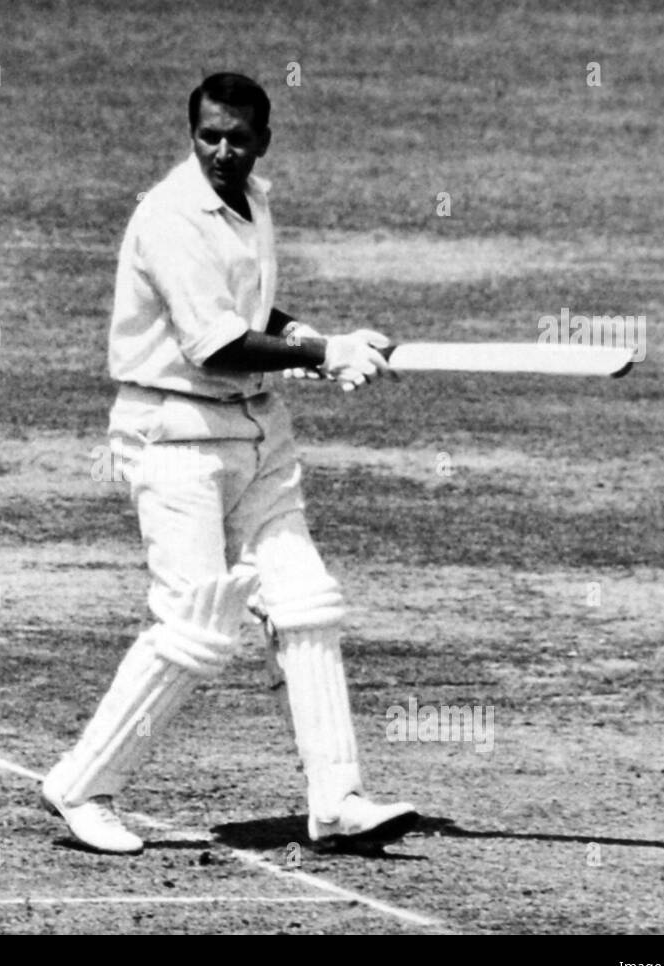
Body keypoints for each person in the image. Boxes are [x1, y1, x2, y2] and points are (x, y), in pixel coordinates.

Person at [41, 72, 418, 854]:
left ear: (262, 140)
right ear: (192, 134)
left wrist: (314, 340)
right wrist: (319, 352)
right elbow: (213, 344)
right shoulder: (171, 216)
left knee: (306, 604)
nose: (222, 150)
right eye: (208, 135)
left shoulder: (253, 201)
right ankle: (81, 784)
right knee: (195, 624)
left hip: (255, 432)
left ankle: (337, 799)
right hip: (175, 436)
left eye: (237, 138)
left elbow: (248, 313)